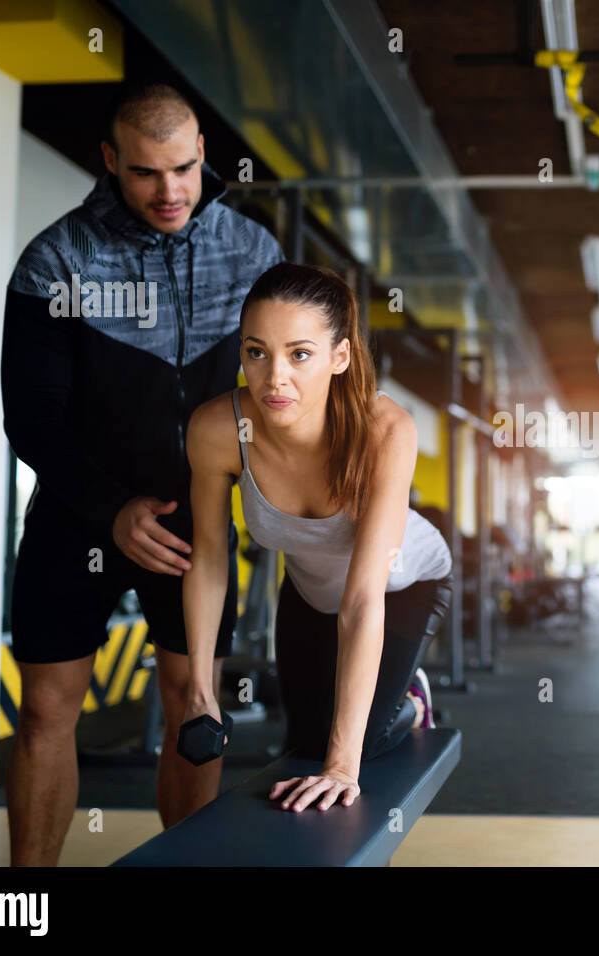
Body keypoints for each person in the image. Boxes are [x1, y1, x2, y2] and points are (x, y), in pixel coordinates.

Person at [1, 82, 284, 865]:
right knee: (48, 712)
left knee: (193, 706)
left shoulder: (255, 252)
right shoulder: (57, 258)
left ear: (204, 157)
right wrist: (110, 508)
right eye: (146, 173)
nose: (171, 191)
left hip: (197, 522)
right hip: (73, 514)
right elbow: (32, 417)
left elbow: (282, 388)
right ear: (110, 162)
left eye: (186, 169)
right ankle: (28, 895)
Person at [182, 262, 453, 813]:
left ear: (341, 356)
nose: (274, 377)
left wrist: (343, 764)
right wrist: (199, 687)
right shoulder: (218, 431)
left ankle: (412, 699)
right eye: (256, 352)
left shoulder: (385, 429)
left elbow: (361, 598)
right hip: (307, 592)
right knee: (302, 749)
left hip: (401, 588)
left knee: (355, 749)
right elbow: (210, 561)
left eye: (299, 354)